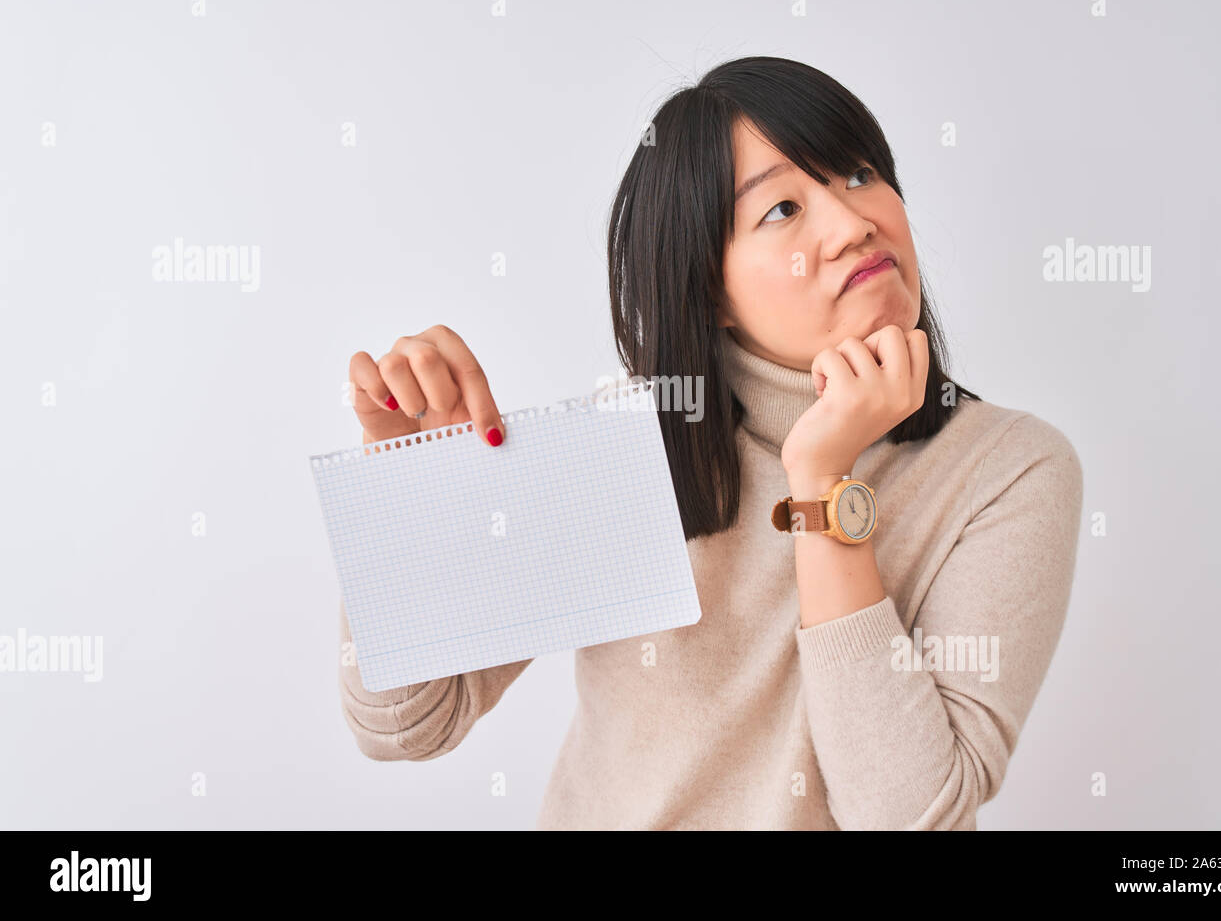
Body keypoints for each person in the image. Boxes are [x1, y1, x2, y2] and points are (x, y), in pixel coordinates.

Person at [336, 56, 1084, 830]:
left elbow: (906, 817)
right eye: (783, 209)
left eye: (861, 173)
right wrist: (412, 492)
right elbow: (406, 723)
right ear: (709, 288)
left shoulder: (1008, 470)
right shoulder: (634, 441)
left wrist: (824, 485)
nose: (854, 221)